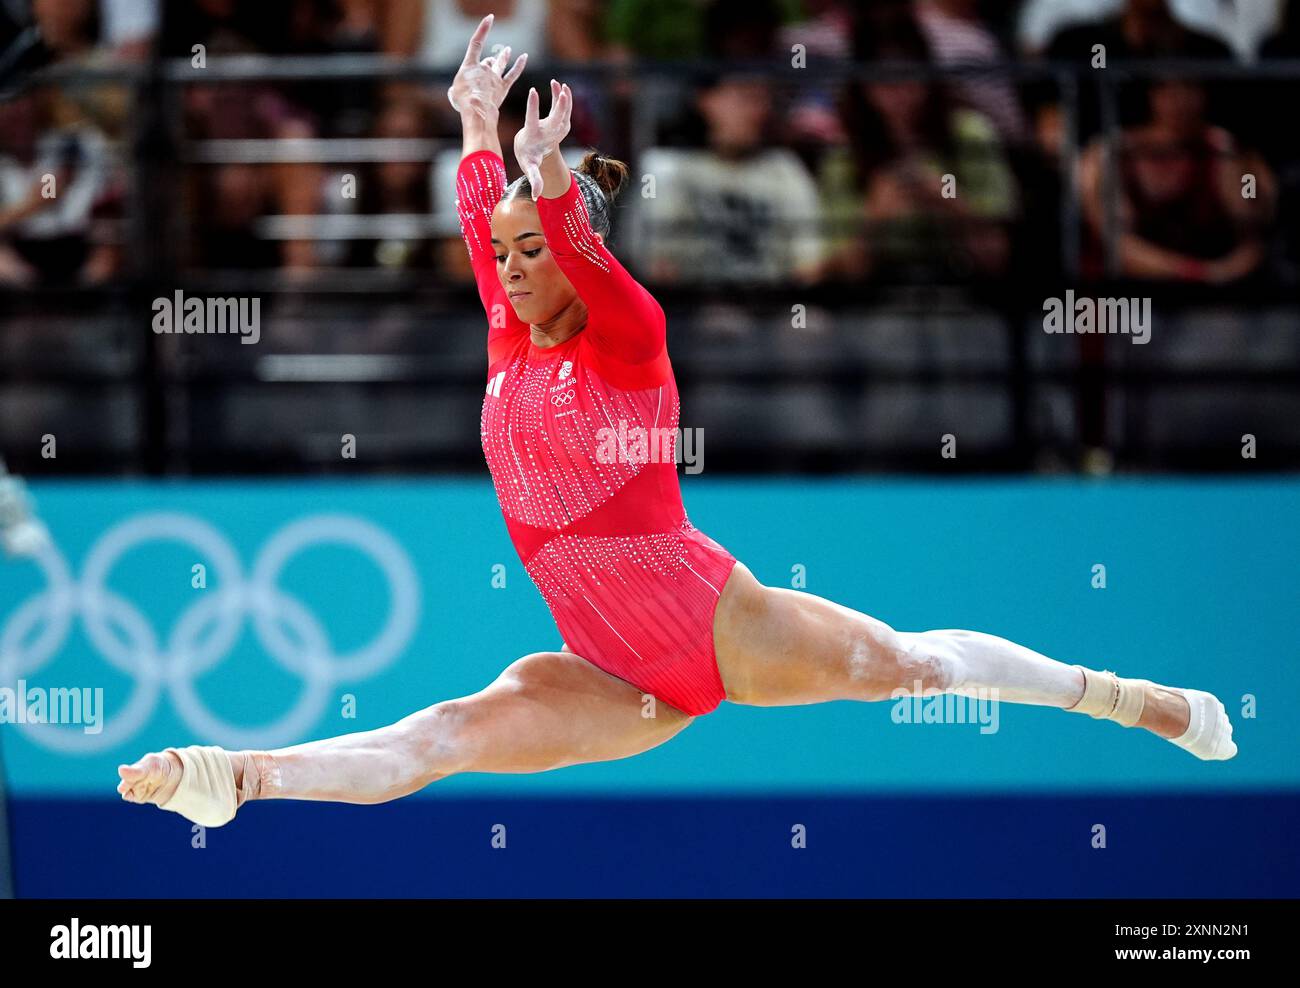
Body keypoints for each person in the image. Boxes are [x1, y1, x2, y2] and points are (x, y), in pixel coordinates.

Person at [118, 16, 1236, 828]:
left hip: (712, 623)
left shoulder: (629, 336)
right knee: (438, 740)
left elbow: (580, 254)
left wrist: (547, 178)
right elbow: (482, 216)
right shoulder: (513, 334)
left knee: (910, 665)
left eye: (532, 251)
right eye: (501, 255)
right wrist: (473, 124)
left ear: (579, 247)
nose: (507, 271)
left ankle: (1129, 701)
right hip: (608, 672)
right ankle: (237, 775)